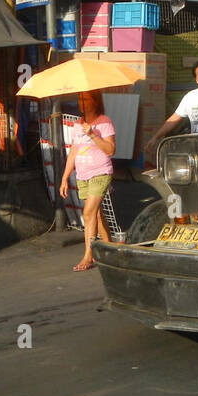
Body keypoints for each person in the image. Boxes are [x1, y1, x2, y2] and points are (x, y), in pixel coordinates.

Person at [60, 89, 115, 272]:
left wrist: (92, 134)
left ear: (95, 101)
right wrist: (65, 177)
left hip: (101, 173)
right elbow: (73, 152)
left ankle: (88, 256)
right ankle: (111, 250)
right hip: (83, 175)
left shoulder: (104, 122)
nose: (81, 102)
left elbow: (110, 150)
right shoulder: (78, 124)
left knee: (88, 214)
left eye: (85, 98)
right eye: (79, 98)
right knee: (96, 215)